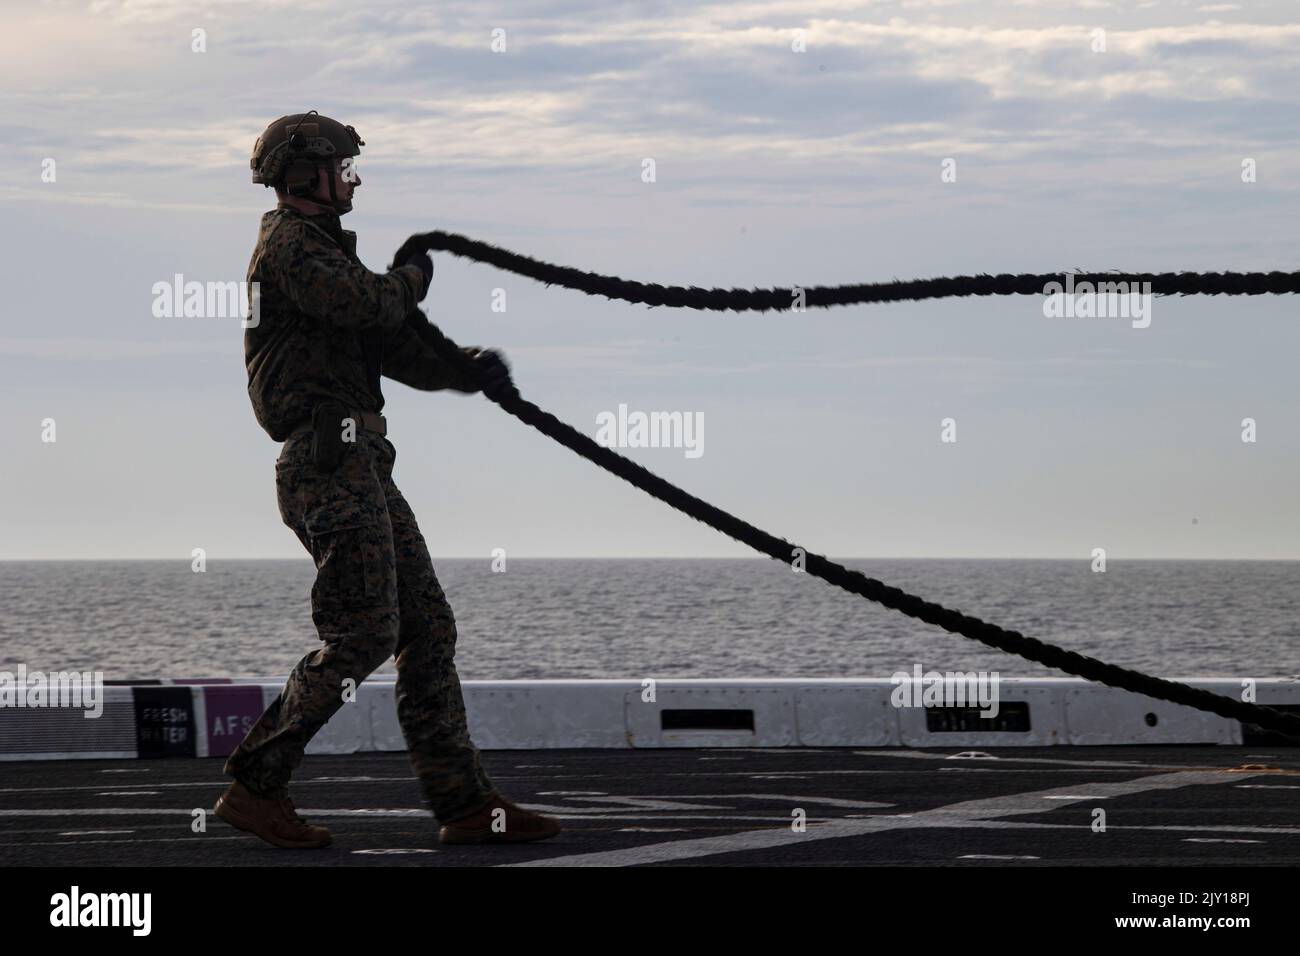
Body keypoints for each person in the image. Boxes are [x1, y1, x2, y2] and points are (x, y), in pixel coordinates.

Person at [213, 111, 561, 848]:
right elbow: (371, 305)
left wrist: (465, 373)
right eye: (341, 168)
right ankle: (255, 785)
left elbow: (392, 343)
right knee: (365, 631)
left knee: (426, 627)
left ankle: (463, 803)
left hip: (361, 462)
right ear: (308, 174)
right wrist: (412, 276)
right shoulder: (291, 250)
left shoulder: (326, 257)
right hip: (326, 464)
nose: (351, 181)